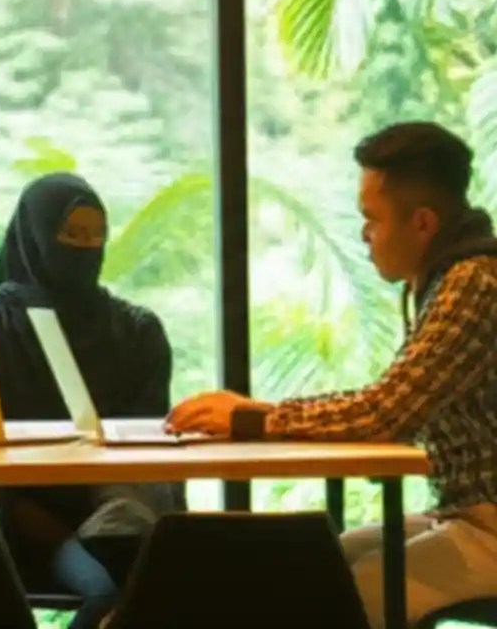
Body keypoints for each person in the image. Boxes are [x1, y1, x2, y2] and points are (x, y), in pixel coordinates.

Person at [167, 121, 497, 629]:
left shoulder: (471, 282)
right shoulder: (447, 277)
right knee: (326, 561)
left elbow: (385, 412)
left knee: (348, 591)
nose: (365, 234)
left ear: (423, 223)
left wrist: (254, 419)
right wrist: (257, 415)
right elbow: (390, 402)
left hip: (489, 525)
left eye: (372, 218)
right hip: (469, 517)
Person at [0, 172, 184, 629]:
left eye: (95, 235)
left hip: (116, 515)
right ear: (36, 238)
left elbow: (146, 447)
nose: (84, 249)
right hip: (20, 518)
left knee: (128, 570)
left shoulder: (136, 332)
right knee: (113, 587)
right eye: (70, 234)